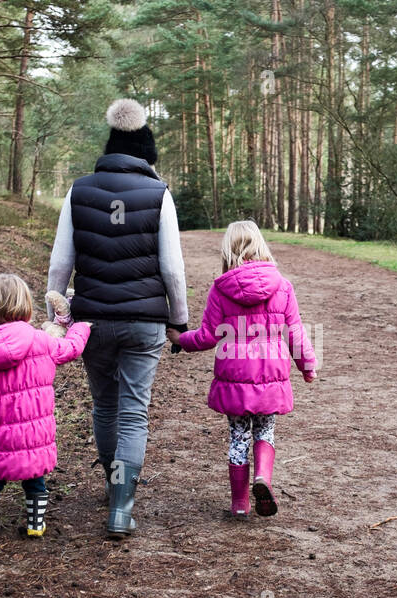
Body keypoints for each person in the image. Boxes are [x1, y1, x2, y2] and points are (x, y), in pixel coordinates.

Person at [46, 98, 190, 538]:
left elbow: (60, 264)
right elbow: (171, 267)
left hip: (91, 320)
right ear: (147, 157)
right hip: (143, 323)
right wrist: (178, 321)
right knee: (133, 411)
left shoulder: (78, 190)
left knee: (105, 405)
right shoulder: (158, 193)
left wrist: (54, 313)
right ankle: (121, 509)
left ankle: (113, 485)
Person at [168, 221, 316, 518]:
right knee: (266, 431)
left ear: (228, 250)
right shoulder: (282, 285)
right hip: (271, 374)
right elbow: (295, 332)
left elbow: (208, 336)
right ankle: (263, 477)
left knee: (238, 437)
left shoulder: (221, 289)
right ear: (260, 246)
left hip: (235, 378)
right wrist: (307, 365)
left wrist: (180, 339)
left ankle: (239, 504)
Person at [0, 273, 91, 552]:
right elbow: (71, 348)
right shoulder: (41, 341)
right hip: (34, 434)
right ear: (27, 305)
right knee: (35, 475)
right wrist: (80, 327)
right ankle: (35, 523)